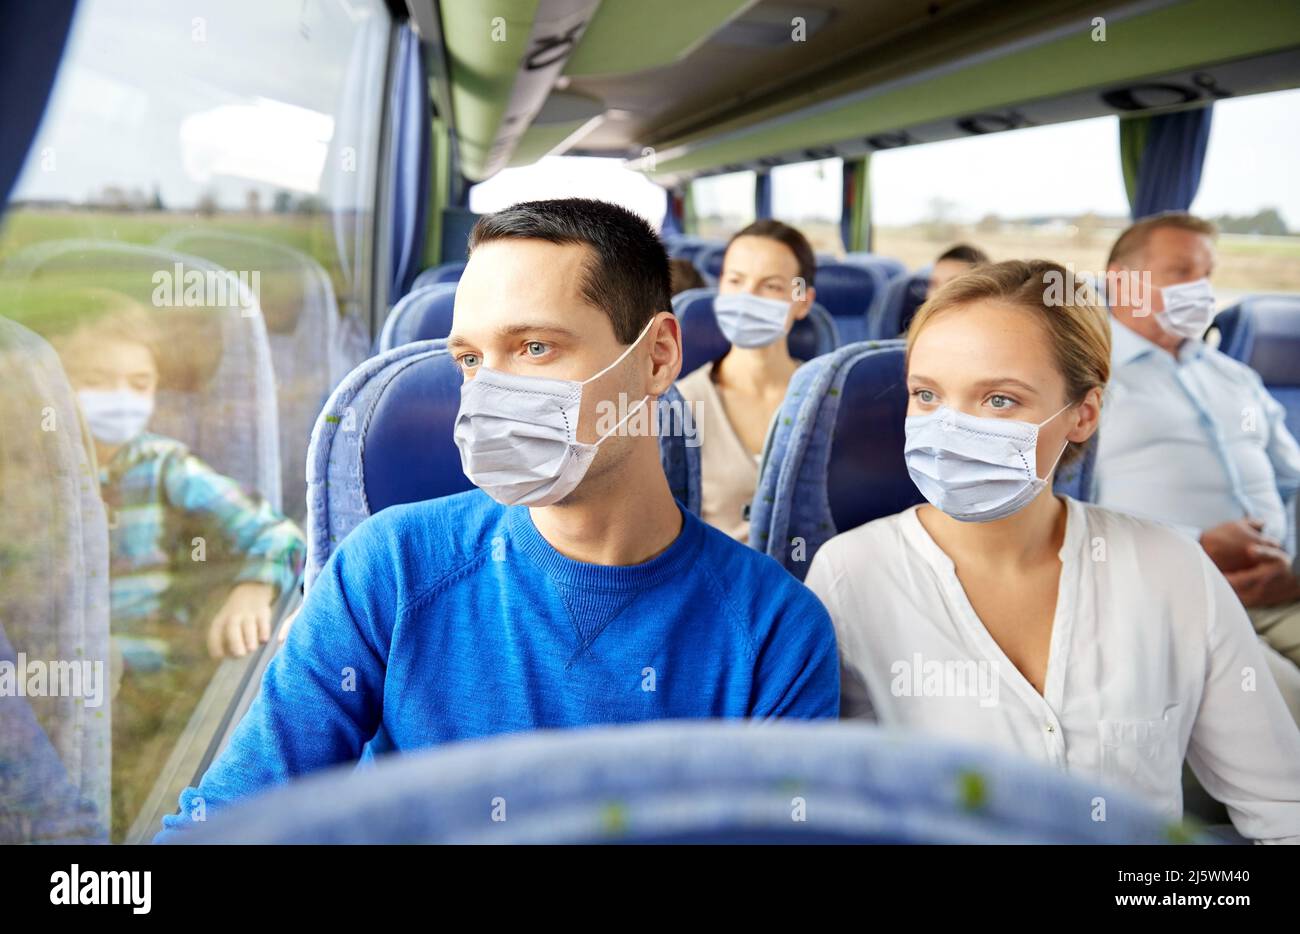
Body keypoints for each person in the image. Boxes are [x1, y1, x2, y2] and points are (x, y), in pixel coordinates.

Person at [156, 198, 839, 840]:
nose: (488, 392)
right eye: (471, 359)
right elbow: (227, 822)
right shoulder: (389, 569)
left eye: (535, 347)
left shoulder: (775, 634)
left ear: (656, 357)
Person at [805, 260, 1300, 842]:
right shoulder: (851, 574)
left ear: (1083, 415)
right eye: (927, 395)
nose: (950, 428)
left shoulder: (1171, 571)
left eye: (998, 400)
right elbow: (828, 809)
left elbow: (1282, 807)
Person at [1093, 212, 1300, 710]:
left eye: (1206, 275)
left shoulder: (1236, 377)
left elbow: (1292, 484)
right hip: (1171, 604)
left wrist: (1292, 568)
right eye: (1181, 273)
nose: (1201, 290)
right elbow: (1058, 515)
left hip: (1282, 592)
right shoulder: (1086, 382)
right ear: (1123, 282)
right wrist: (1196, 546)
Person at [675, 219, 817, 541]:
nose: (747, 298)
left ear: (803, 301)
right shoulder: (681, 405)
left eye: (771, 286)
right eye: (736, 281)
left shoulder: (827, 400)